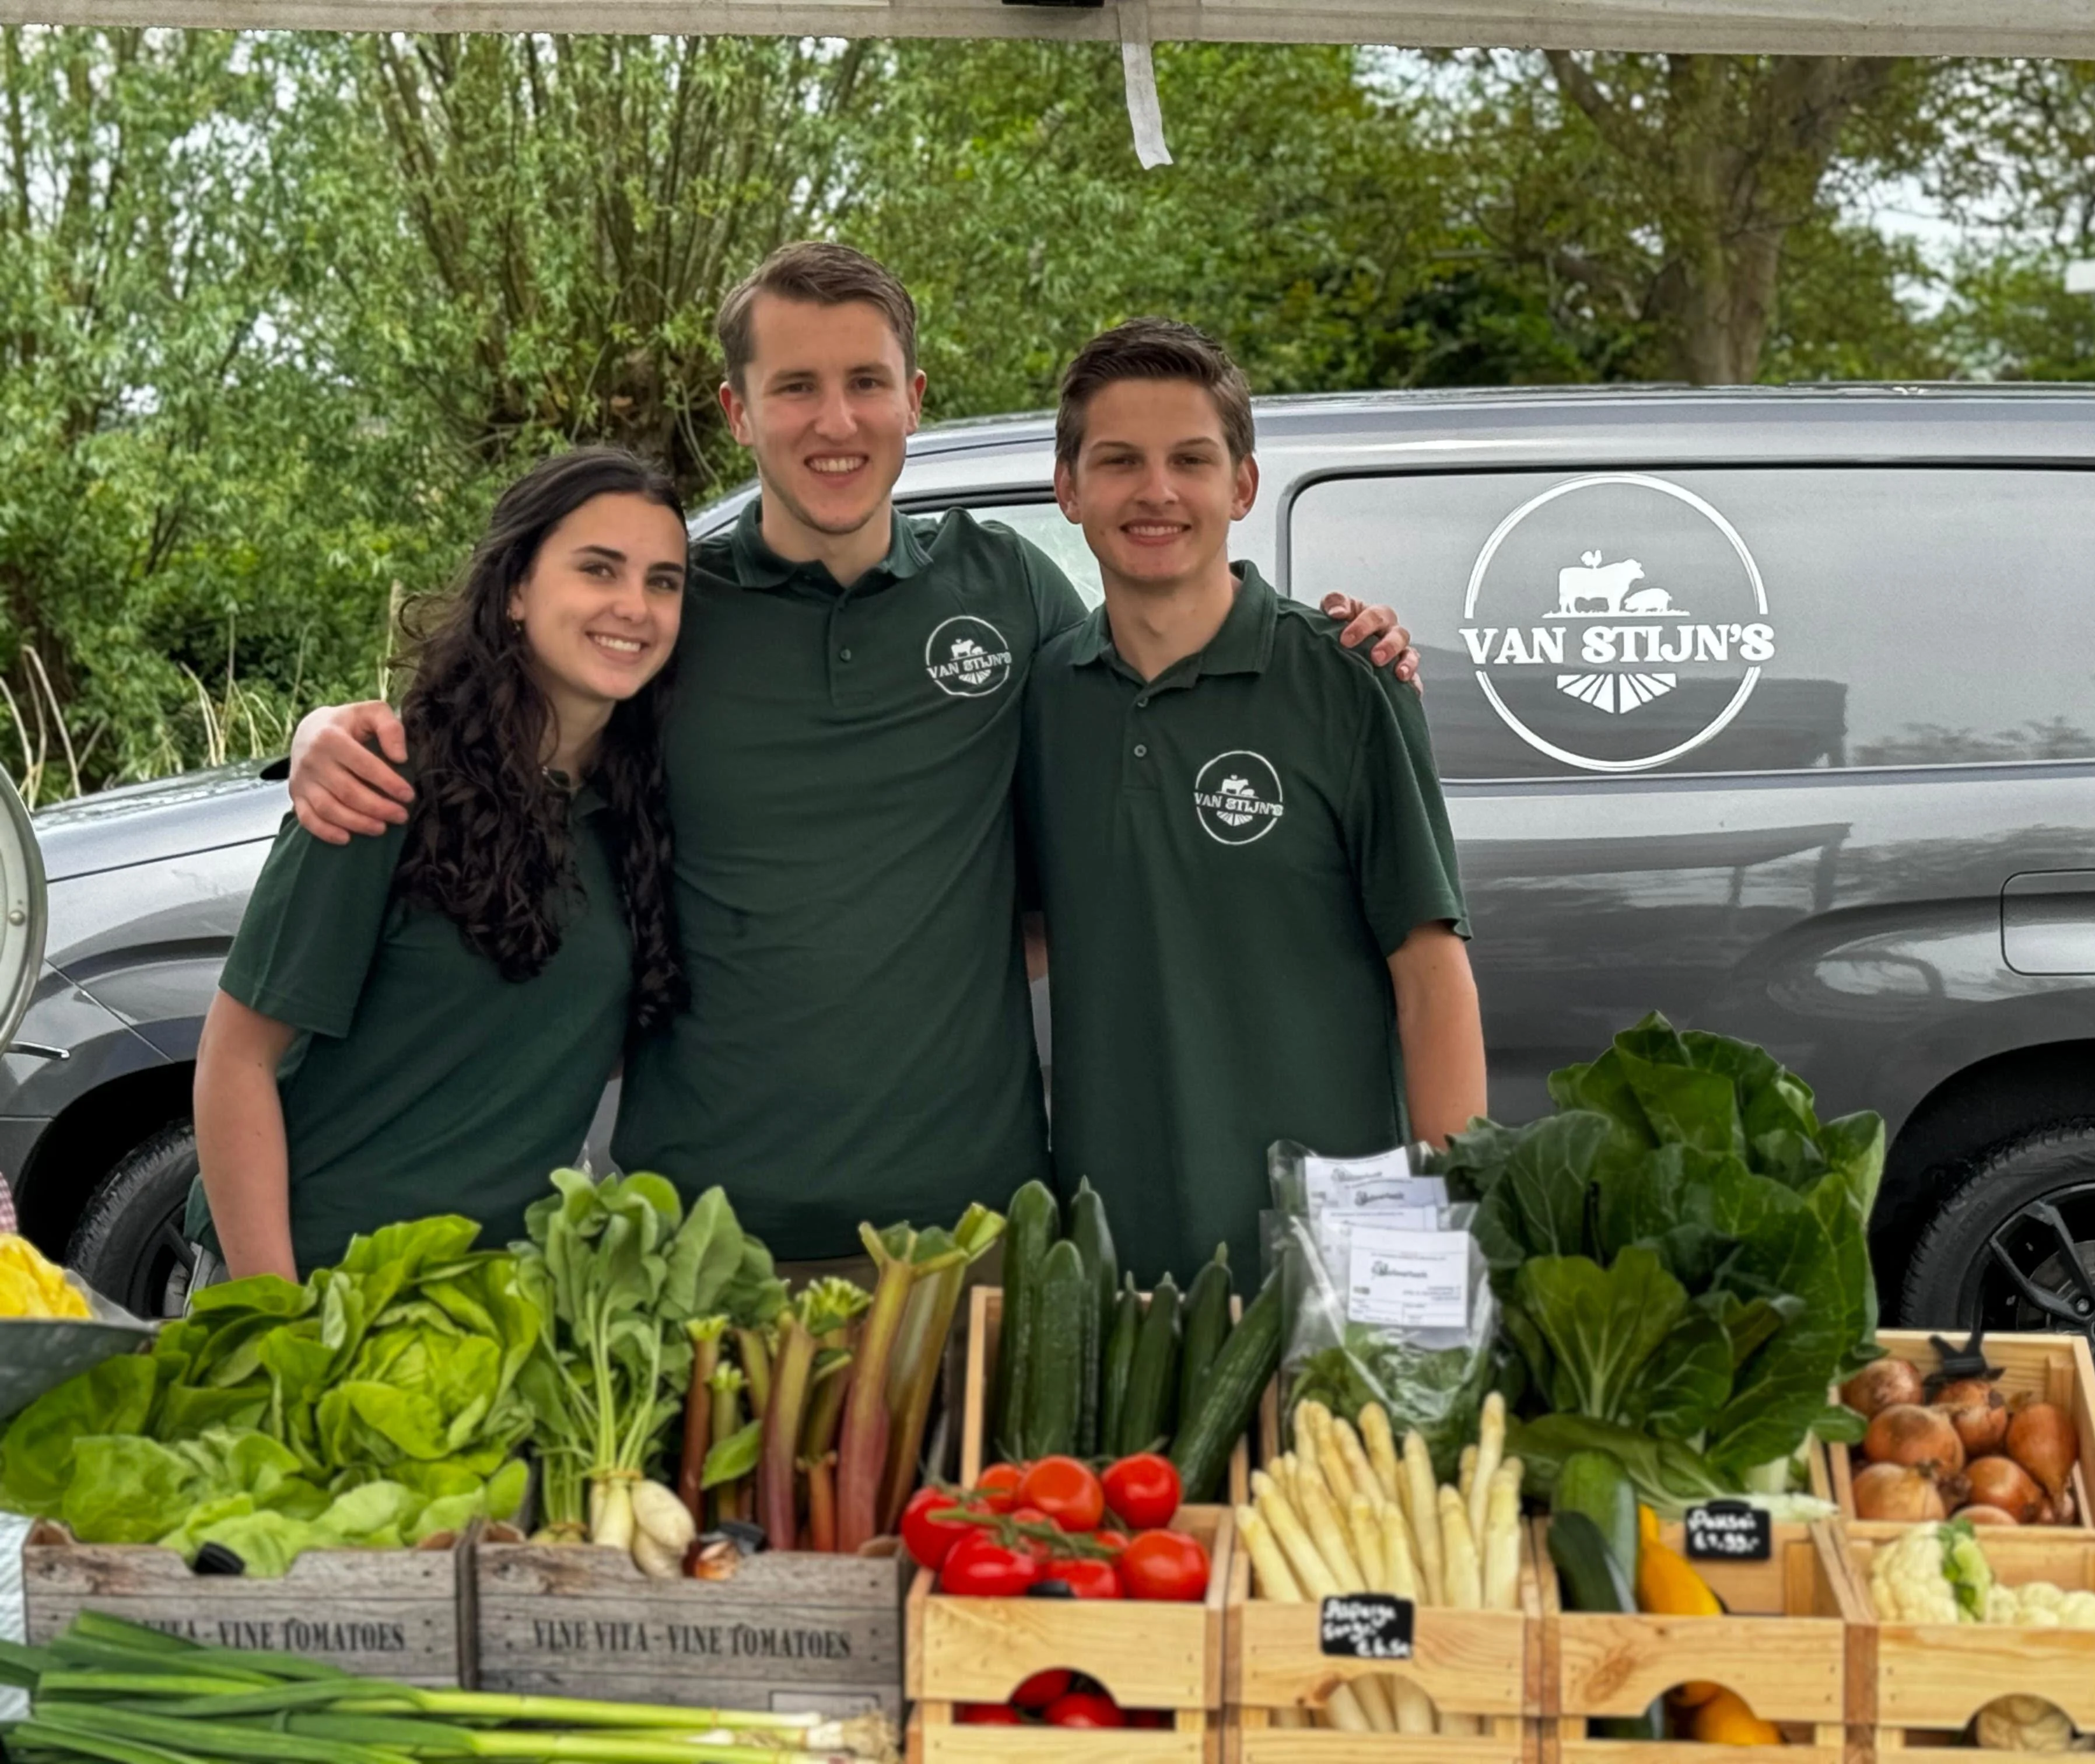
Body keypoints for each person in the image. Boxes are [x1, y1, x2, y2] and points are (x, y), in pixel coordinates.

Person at [281, 244, 1418, 1261]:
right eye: (797, 388)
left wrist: (1346, 650)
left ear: (913, 400)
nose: (837, 422)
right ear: (739, 412)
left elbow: (1149, 709)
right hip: (702, 1243)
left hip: (967, 1237)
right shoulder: (677, 614)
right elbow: (519, 715)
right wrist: (326, 735)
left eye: (866, 383)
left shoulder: (1008, 589)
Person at [1018, 319, 1484, 1278]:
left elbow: (1431, 974)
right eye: (1119, 461)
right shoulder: (1044, 699)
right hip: (1119, 1249)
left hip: (1333, 1244)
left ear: (1241, 485)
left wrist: (1444, 1240)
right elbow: (1030, 931)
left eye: (1190, 459)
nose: (1156, 491)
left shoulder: (1347, 681)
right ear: (1068, 490)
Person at [190, 449, 689, 1279]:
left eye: (664, 582)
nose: (633, 607)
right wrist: (274, 1314)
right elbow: (236, 1060)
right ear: (518, 590)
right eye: (599, 569)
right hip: (315, 1286)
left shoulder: (640, 820)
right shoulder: (380, 782)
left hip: (487, 1313)